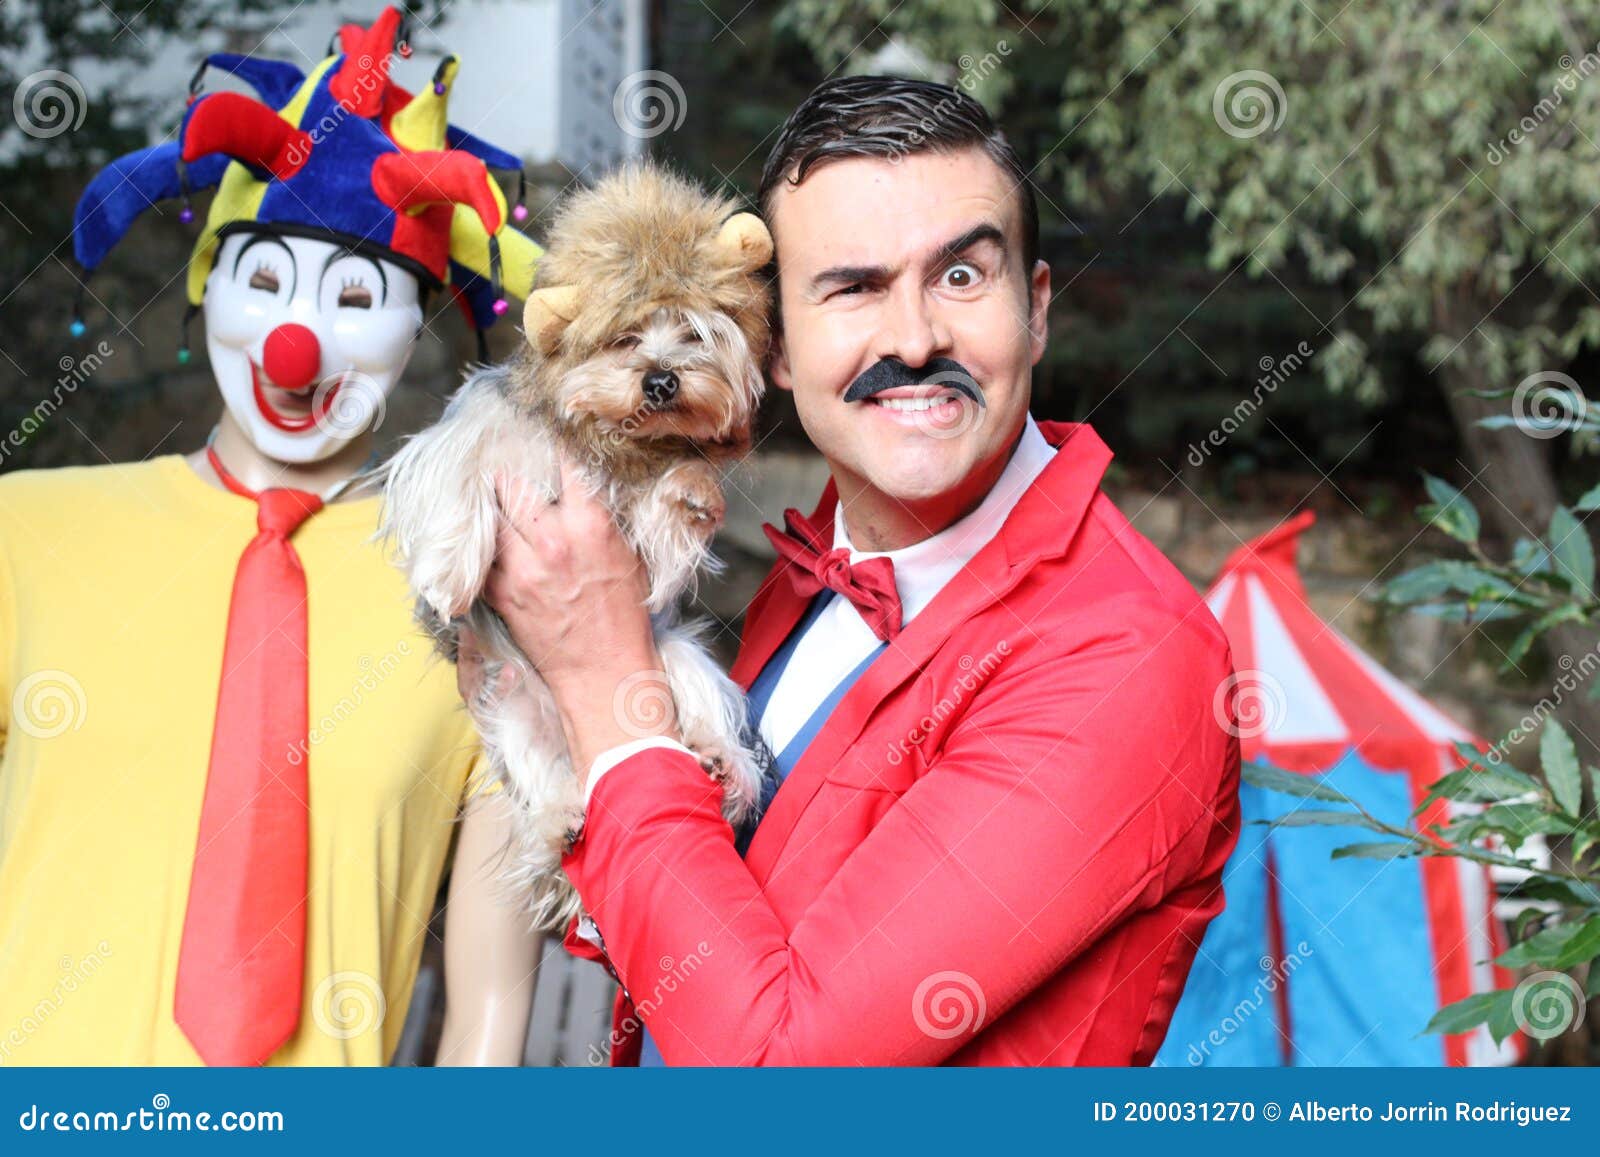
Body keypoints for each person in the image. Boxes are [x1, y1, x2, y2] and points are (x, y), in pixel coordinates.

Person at [480, 74, 1243, 1066]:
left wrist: (599, 685)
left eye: (961, 276)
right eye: (854, 286)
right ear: (778, 346)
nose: (916, 338)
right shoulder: (813, 565)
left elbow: (783, 1069)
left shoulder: (1124, 653)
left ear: (1036, 309)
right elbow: (716, 913)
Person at [0, 8, 543, 1066]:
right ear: (207, 287)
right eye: (263, 281)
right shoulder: (24, 531)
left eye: (354, 296)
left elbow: (487, 1031)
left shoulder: (480, 605)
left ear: (417, 324)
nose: (298, 338)